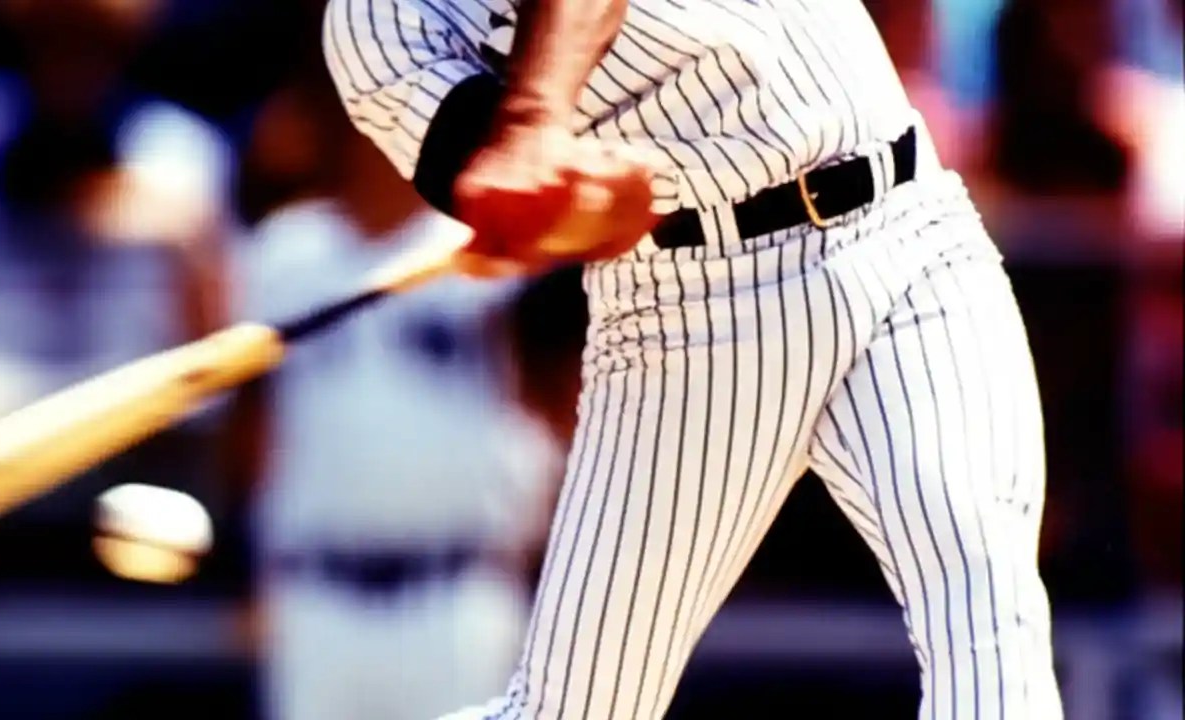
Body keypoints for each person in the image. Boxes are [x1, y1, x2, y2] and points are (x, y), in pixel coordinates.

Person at [322, 0, 1066, 718]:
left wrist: (535, 119)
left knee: (987, 613)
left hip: (900, 221)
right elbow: (608, 213)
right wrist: (562, 202)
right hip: (686, 309)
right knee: (574, 710)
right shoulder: (376, 30)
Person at [226, 59, 563, 719]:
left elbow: (552, 410)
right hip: (318, 594)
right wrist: (248, 575)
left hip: (460, 592)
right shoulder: (284, 253)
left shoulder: (489, 252)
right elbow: (252, 433)